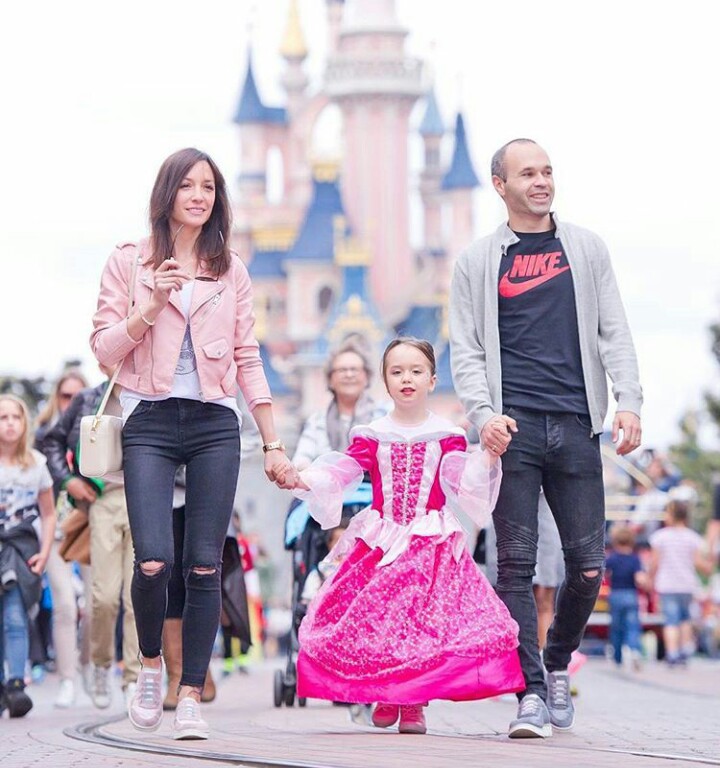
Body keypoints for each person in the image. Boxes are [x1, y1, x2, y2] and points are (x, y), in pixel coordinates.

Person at [90, 147, 293, 740]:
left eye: (209, 186)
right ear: (168, 194)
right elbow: (104, 350)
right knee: (154, 560)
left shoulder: (230, 268)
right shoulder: (129, 263)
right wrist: (150, 304)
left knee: (204, 564)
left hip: (213, 424)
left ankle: (190, 695)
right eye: (188, 186)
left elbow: (248, 355)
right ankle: (151, 664)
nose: (200, 196)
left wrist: (272, 441)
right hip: (149, 420)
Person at [448, 138, 643, 738]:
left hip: (578, 424)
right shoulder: (478, 262)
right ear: (499, 185)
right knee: (516, 569)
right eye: (527, 173)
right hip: (513, 430)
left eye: (547, 171)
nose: (541, 181)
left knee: (587, 569)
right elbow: (468, 350)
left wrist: (629, 402)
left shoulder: (584, 248)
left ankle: (556, 663)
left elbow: (614, 331)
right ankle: (529, 693)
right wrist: (483, 414)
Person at [282, 338, 524, 735]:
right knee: (378, 619)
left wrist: (489, 456)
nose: (406, 379)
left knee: (421, 622)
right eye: (396, 372)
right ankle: (387, 691)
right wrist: (303, 478)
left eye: (415, 371)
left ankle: (412, 702)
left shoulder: (447, 434)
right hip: (382, 538)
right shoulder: (372, 433)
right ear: (384, 381)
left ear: (432, 379)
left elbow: (463, 480)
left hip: (430, 539)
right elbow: (343, 471)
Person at [43, 372, 140, 709]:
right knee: (103, 597)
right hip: (102, 502)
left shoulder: (152, 393)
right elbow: (51, 440)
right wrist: (68, 480)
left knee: (135, 597)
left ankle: (132, 677)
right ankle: (100, 665)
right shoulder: (87, 399)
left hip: (143, 499)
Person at [33, 369, 90, 708]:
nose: (71, 402)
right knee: (65, 605)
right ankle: (67, 678)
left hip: (87, 526)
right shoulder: (43, 436)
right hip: (55, 529)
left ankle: (87, 666)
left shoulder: (99, 430)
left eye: (78, 396)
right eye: (66, 396)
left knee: (100, 605)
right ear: (57, 398)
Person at [0, 395, 56, 717]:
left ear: (24, 424)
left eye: (15, 417)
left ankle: (16, 684)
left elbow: (48, 514)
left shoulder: (36, 464)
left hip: (22, 550)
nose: (9, 423)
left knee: (15, 617)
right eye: (3, 417)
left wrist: (45, 551)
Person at [293, 338, 386, 470]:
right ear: (330, 379)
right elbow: (301, 458)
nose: (349, 375)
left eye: (355, 369)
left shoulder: (384, 416)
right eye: (342, 370)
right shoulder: (317, 421)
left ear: (367, 377)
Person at [648, 500, 713, 666]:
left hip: (667, 584)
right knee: (685, 619)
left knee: (671, 620)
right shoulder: (692, 537)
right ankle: (684, 650)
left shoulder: (660, 537)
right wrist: (708, 566)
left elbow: (655, 563)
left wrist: (650, 578)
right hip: (687, 584)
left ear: (672, 515)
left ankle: (672, 653)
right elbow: (698, 562)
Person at [605, 524, 648, 669]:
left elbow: (604, 573)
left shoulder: (612, 558)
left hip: (615, 594)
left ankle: (617, 658)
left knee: (616, 627)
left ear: (615, 542)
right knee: (632, 626)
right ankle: (635, 650)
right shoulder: (635, 559)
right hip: (631, 595)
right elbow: (640, 578)